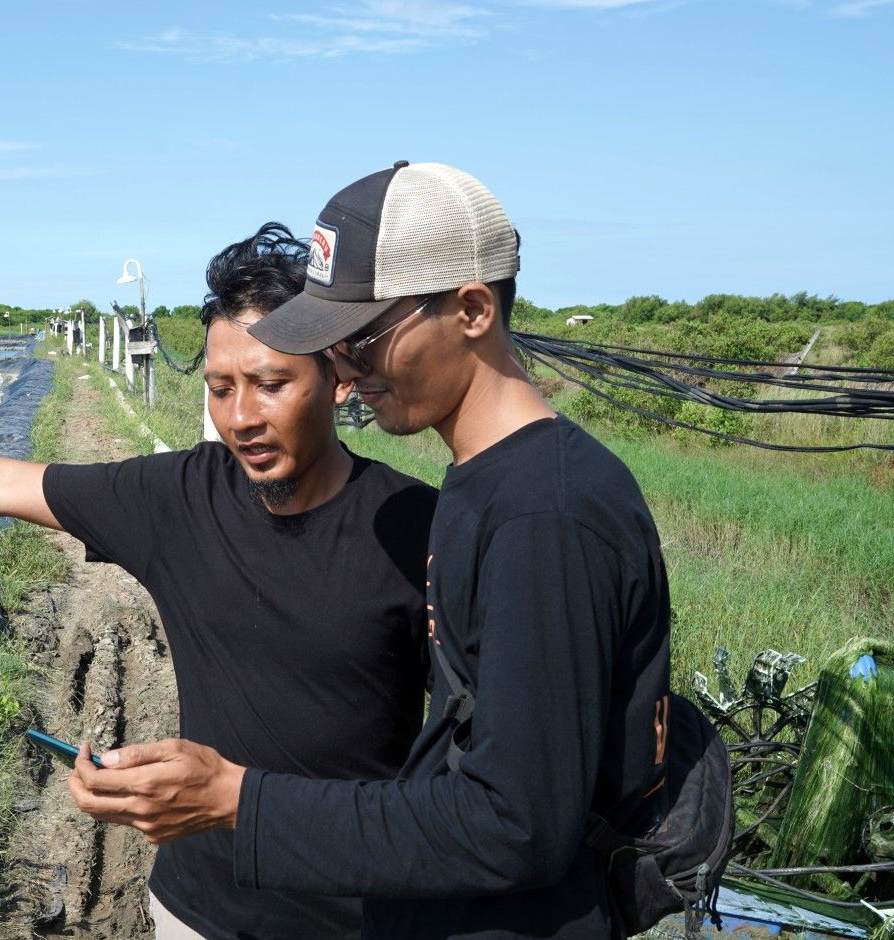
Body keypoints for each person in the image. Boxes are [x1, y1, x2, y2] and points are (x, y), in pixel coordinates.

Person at [0, 222, 438, 940]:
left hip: (359, 913)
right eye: (221, 388)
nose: (241, 417)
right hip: (195, 909)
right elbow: (2, 484)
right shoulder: (180, 497)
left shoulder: (418, 527)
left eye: (271, 384)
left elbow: (480, 766)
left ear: (337, 377)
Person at [66, 163, 676, 939]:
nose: (346, 366)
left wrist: (237, 800)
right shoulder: (482, 486)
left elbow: (516, 824)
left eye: (364, 336)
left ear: (472, 309)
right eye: (331, 341)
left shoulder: (542, 515)